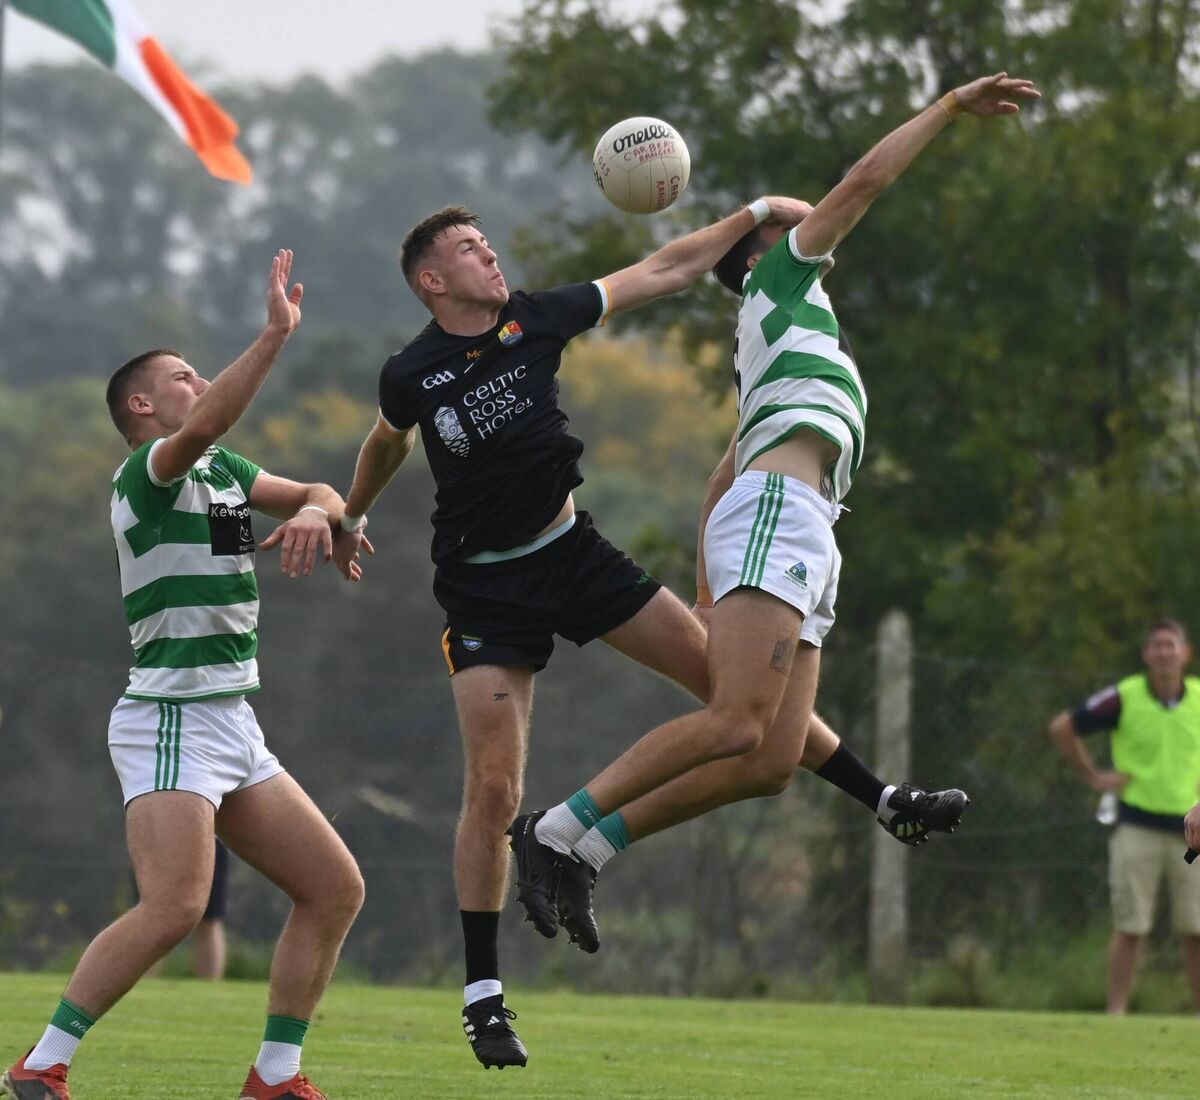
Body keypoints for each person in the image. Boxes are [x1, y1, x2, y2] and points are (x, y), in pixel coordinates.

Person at [332, 199, 968, 1069]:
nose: (492, 256)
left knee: (732, 685)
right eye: (471, 251)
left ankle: (881, 798)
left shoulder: (536, 317)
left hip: (572, 551)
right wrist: (352, 511)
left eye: (488, 242)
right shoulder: (412, 372)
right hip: (486, 589)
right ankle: (485, 998)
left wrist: (749, 213)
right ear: (433, 282)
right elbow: (386, 440)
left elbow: (664, 269)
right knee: (492, 790)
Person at [509, 72, 1038, 958]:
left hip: (800, 523)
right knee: (735, 721)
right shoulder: (782, 280)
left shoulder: (788, 330)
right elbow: (864, 182)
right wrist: (947, 109)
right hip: (784, 514)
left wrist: (715, 595)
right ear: (763, 251)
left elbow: (721, 478)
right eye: (798, 225)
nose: (818, 226)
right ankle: (556, 827)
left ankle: (593, 844)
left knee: (765, 762)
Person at [1, 251, 366, 1100]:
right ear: (141, 405)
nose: (198, 383)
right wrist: (274, 336)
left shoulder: (223, 475)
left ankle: (274, 1079)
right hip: (170, 719)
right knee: (175, 906)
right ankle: (42, 1064)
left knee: (332, 888)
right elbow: (202, 430)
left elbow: (319, 489)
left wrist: (319, 511)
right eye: (182, 376)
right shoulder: (150, 471)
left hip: (230, 721)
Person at [1048, 617, 1200, 1014]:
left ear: (1186, 653)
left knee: (1196, 929)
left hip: (1193, 829)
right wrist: (1094, 777)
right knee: (1131, 926)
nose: (1164, 653)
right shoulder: (1125, 696)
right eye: (1157, 646)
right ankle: (1116, 1013)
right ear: (1146, 654)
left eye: (1172, 645)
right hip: (1137, 823)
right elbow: (1064, 727)